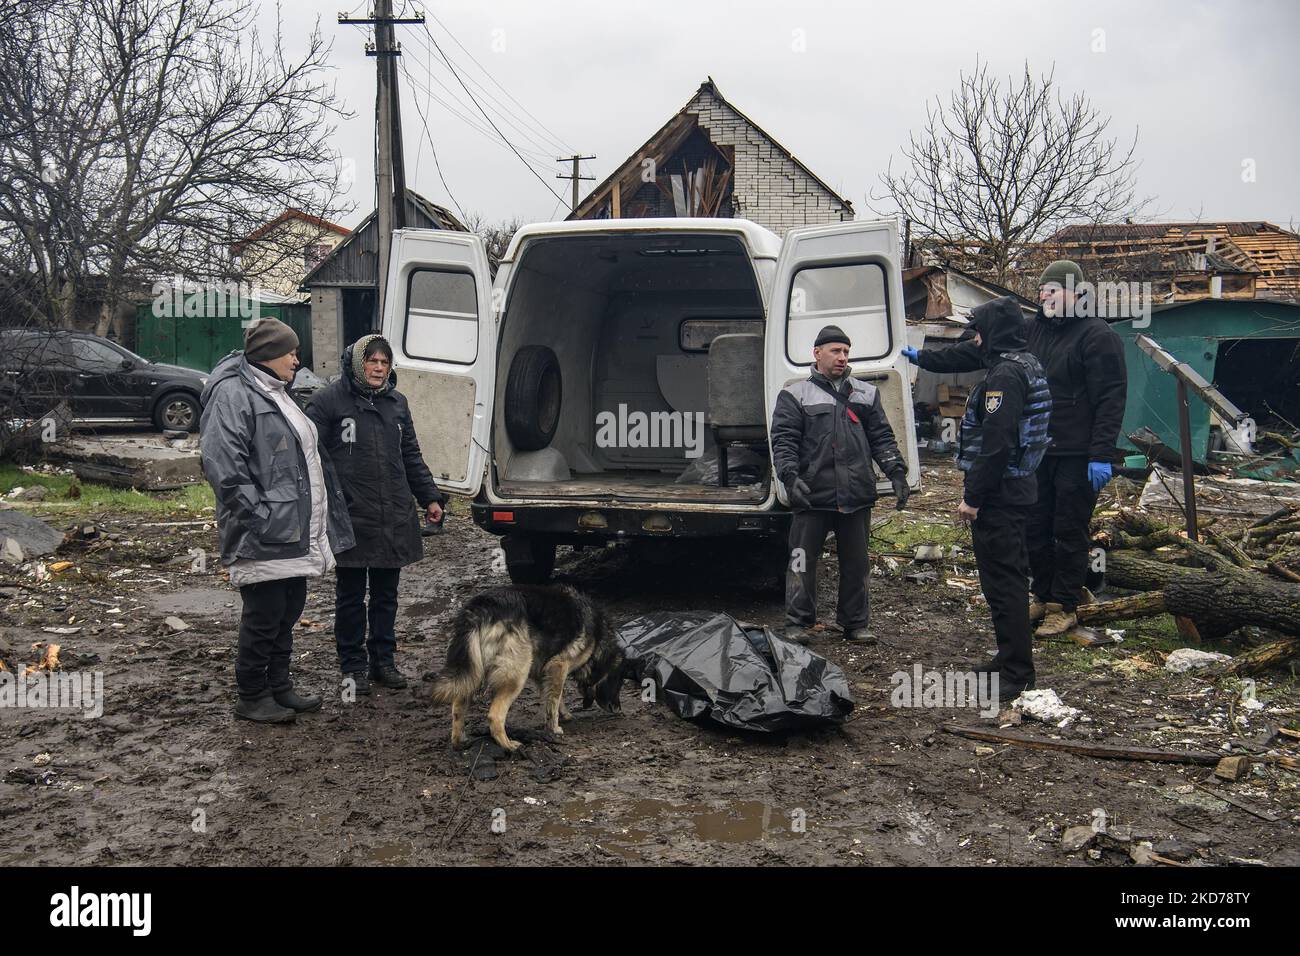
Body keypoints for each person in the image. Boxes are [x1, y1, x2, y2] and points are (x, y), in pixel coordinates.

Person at [199, 318, 355, 723]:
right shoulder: (234, 395)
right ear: (269, 355)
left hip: (290, 529)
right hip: (263, 532)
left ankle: (279, 686)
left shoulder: (278, 392)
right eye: (291, 352)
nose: (296, 360)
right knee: (264, 614)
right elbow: (224, 466)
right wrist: (261, 517)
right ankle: (252, 695)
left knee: (288, 609)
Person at [905, 298, 1052, 700]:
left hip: (1001, 494)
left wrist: (973, 497)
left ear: (995, 332)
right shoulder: (1024, 363)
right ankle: (1008, 659)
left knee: (1004, 583)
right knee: (1004, 581)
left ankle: (1018, 672)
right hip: (1016, 489)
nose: (976, 337)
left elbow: (998, 443)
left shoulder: (1005, 376)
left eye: (980, 329)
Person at [306, 334, 446, 694]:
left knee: (386, 594)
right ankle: (353, 666)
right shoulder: (327, 403)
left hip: (392, 513)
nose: (379, 368)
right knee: (351, 595)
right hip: (351, 514)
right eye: (372, 361)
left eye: (384, 362)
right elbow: (309, 458)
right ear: (357, 363)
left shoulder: (397, 404)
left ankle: (384, 661)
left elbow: (411, 455)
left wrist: (429, 497)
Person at [770, 324, 909, 645]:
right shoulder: (794, 394)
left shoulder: (866, 393)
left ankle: (855, 624)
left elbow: (881, 438)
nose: (842, 357)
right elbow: (784, 442)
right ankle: (797, 623)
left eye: (846, 351)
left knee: (856, 565)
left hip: (856, 495)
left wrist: (896, 473)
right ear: (817, 354)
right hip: (812, 495)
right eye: (835, 351)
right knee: (802, 561)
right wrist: (790, 477)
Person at [1024, 261, 1127, 637]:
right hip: (1037, 450)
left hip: (1078, 453)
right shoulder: (1034, 330)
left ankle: (1064, 605)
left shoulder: (1097, 335)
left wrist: (1101, 453)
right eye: (1042, 291)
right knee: (1034, 526)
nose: (1045, 296)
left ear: (1077, 293)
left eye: (1053, 290)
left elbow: (1111, 399)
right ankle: (1043, 593)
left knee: (1068, 529)